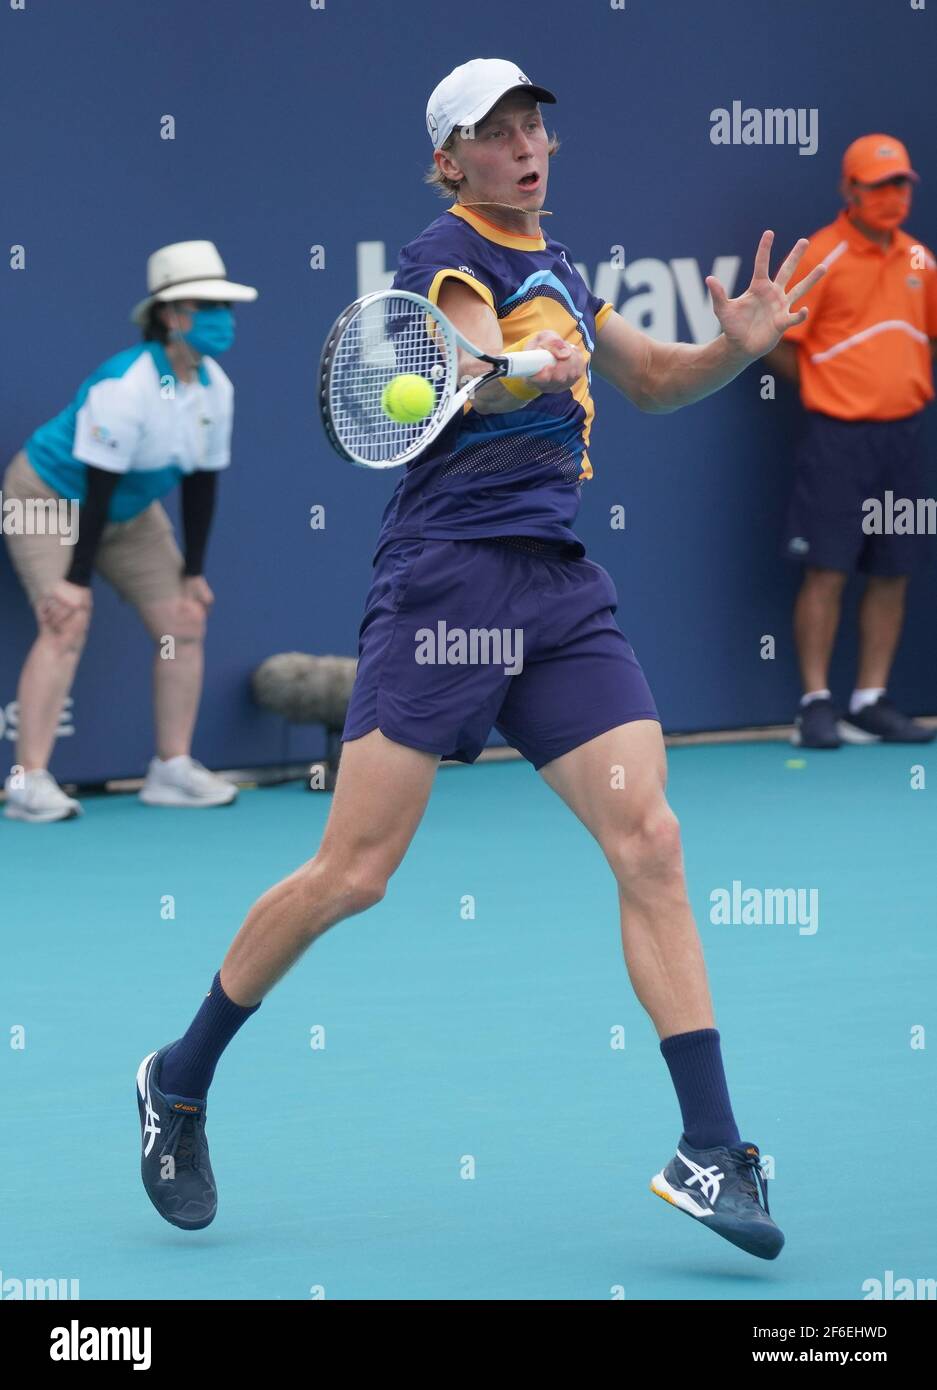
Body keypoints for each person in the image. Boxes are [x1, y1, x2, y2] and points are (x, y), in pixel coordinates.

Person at [136, 60, 823, 1259]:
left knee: (649, 838)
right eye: (493, 135)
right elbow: (460, 376)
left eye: (532, 128)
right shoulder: (443, 256)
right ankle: (177, 1076)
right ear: (448, 159)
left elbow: (653, 381)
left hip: (558, 586)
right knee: (352, 874)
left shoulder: (562, 263)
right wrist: (521, 371)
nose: (524, 148)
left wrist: (739, 347)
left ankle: (711, 1149)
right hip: (447, 582)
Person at [2, 241, 257, 821]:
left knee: (185, 619)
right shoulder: (127, 386)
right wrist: (73, 581)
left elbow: (200, 485)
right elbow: (97, 486)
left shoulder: (217, 389)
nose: (222, 320)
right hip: (48, 497)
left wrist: (193, 573)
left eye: (226, 307)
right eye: (206, 306)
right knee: (66, 622)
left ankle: (171, 768)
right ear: (170, 315)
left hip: (127, 508)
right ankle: (29, 781)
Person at [764, 135, 937, 749]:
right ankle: (815, 703)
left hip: (907, 436)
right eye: (879, 186)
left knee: (895, 569)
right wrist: (824, 385)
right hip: (837, 437)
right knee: (827, 566)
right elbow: (776, 338)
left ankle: (870, 698)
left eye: (901, 186)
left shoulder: (921, 259)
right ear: (850, 191)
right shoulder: (824, 256)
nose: (893, 198)